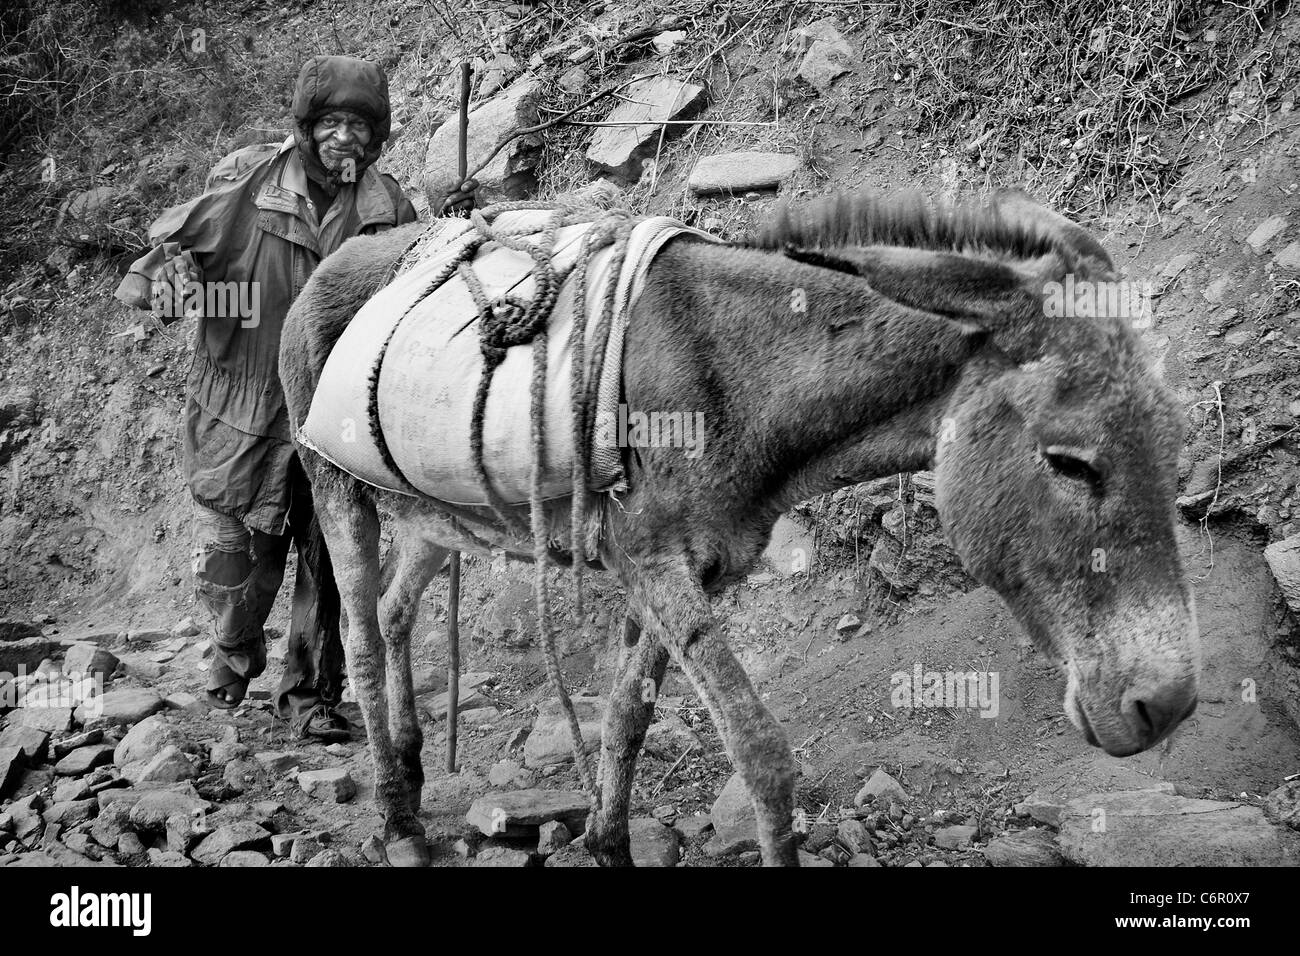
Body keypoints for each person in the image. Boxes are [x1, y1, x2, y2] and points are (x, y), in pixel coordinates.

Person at [114, 55, 424, 740]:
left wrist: (450, 227)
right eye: (331, 123)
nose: (346, 138)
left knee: (334, 557)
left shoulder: (388, 208)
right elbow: (181, 247)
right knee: (240, 561)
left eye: (360, 125)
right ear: (308, 128)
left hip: (334, 412)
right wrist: (162, 283)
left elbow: (413, 291)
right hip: (244, 409)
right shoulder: (248, 184)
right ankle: (232, 650)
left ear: (377, 137)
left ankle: (312, 695)